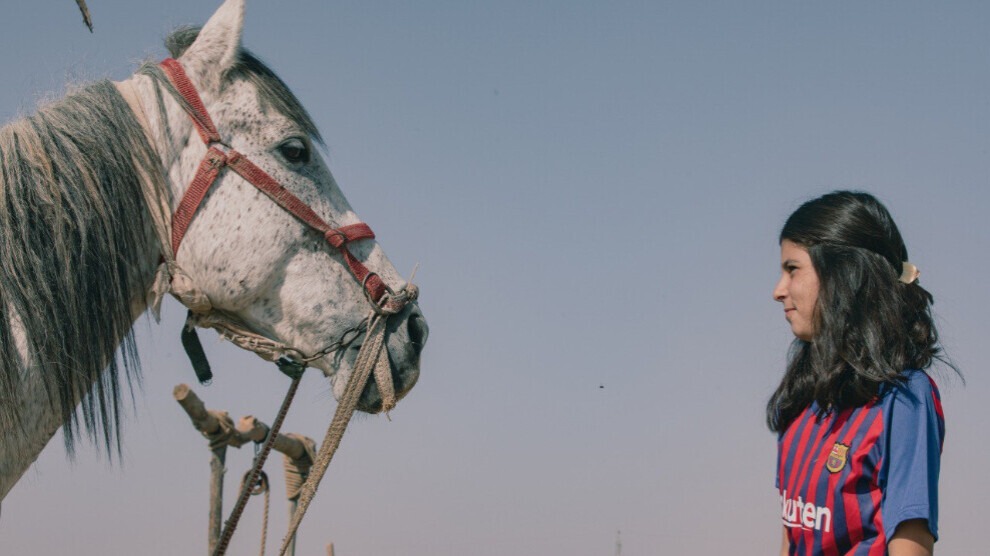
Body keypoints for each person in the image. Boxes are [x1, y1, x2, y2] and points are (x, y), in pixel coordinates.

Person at [768, 191, 950, 555]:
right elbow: (793, 539)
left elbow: (910, 540)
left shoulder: (905, 398)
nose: (778, 291)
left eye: (793, 269)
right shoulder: (801, 401)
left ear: (844, 275)